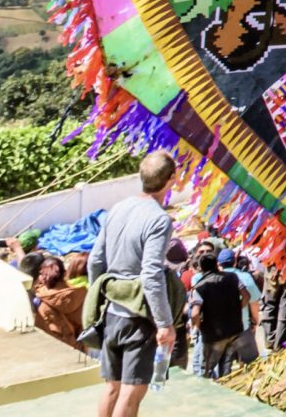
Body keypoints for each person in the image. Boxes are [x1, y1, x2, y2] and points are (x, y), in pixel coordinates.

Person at [86, 149, 180, 417]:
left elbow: (95, 261)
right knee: (132, 392)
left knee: (111, 387)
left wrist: (99, 298)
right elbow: (151, 273)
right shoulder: (159, 219)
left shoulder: (118, 208)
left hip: (112, 312)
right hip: (139, 316)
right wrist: (164, 324)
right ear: (171, 179)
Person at [189, 248, 248, 380]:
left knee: (206, 371)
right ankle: (225, 386)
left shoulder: (199, 287)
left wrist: (197, 326)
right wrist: (237, 309)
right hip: (235, 330)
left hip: (214, 335)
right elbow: (246, 296)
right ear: (217, 264)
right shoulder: (233, 277)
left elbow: (195, 313)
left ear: (200, 268)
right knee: (226, 367)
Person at [33, 256, 88, 347]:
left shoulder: (40, 300)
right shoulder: (81, 296)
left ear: (41, 277)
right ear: (65, 274)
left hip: (54, 348)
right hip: (80, 348)